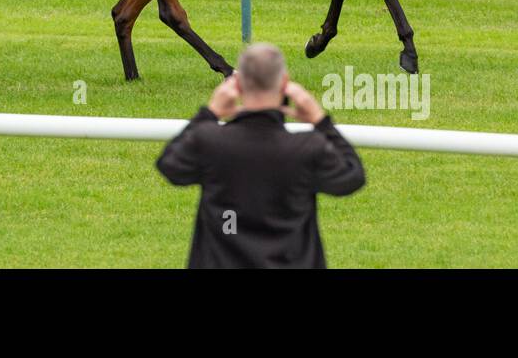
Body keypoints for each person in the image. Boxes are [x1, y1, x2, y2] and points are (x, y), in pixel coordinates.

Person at [156, 43, 365, 269]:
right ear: (285, 84)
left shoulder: (210, 141)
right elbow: (352, 175)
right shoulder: (308, 148)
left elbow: (169, 164)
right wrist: (321, 121)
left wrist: (209, 113)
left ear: (236, 85)